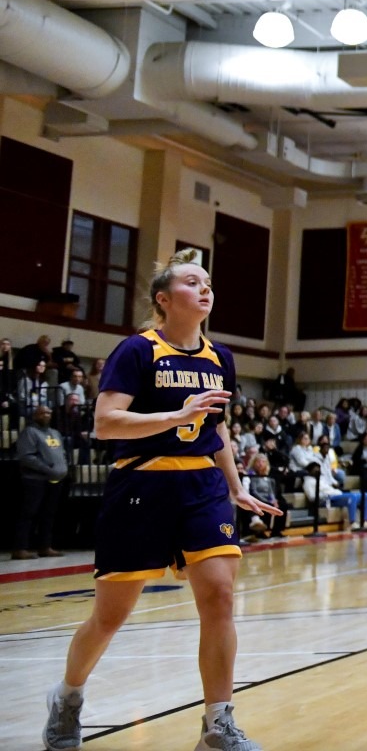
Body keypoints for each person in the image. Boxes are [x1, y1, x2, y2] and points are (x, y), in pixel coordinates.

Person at [41, 250, 279, 751]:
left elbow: (218, 428)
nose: (206, 289)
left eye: (208, 282)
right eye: (193, 282)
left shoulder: (221, 359)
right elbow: (105, 423)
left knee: (219, 595)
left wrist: (235, 485)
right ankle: (67, 697)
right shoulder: (137, 351)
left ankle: (219, 723)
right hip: (141, 487)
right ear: (165, 301)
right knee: (110, 615)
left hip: (202, 488)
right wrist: (175, 415)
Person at [12, 405, 68, 559]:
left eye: (49, 412)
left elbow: (61, 453)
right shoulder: (29, 432)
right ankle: (20, 548)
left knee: (48, 514)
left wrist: (62, 468)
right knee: (29, 513)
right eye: (42, 412)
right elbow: (27, 457)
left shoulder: (55, 433)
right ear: (35, 415)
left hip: (55, 480)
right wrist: (48, 469)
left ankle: (45, 546)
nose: (46, 415)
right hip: (34, 479)